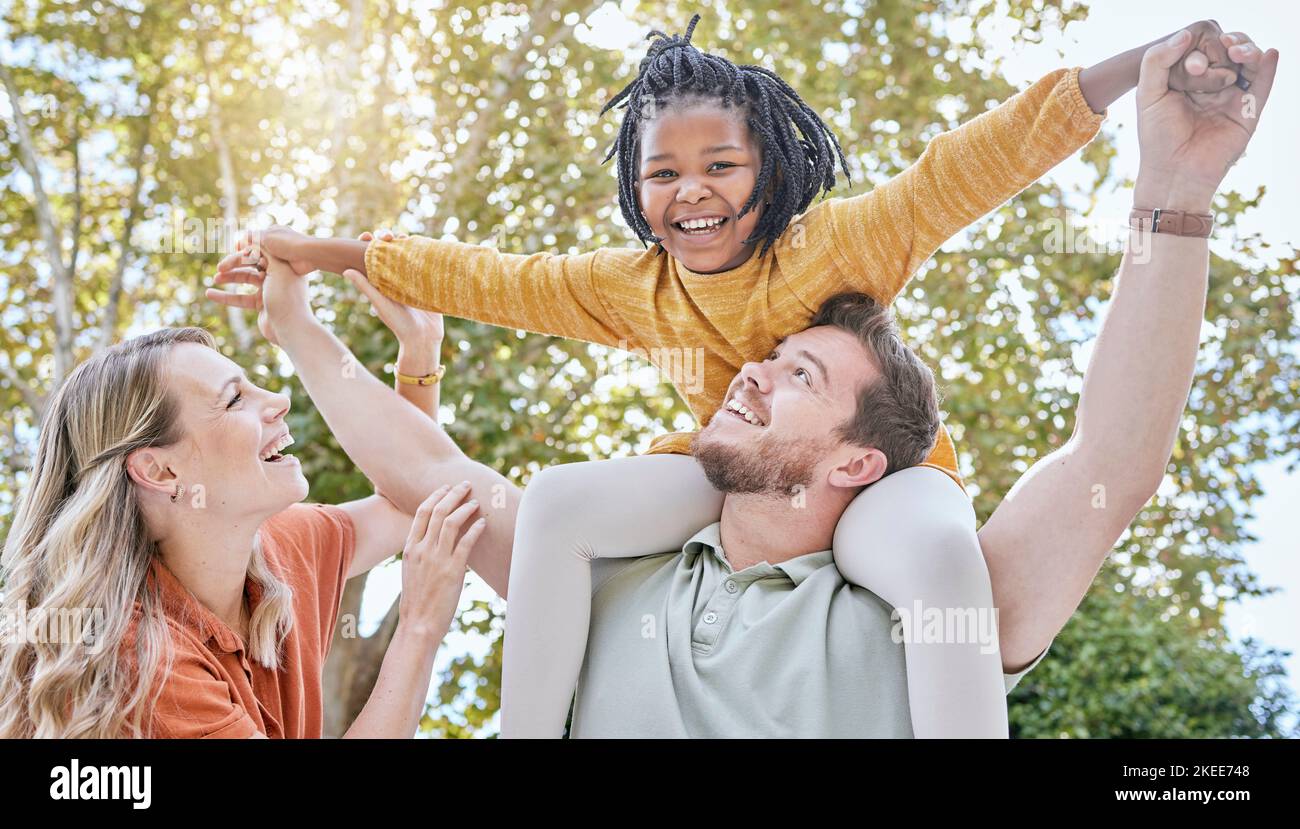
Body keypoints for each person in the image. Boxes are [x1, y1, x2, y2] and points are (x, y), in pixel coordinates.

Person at [214, 16, 1265, 736]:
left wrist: (1158, 134)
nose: (691, 193)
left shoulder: (917, 597)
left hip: (905, 507)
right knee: (560, 502)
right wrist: (308, 279)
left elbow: (980, 174)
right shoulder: (606, 574)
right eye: (662, 173)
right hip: (698, 497)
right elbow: (477, 301)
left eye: (799, 367)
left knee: (947, 567)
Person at [0, 292, 486, 738]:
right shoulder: (137, 659)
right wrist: (420, 627)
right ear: (161, 470)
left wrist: (419, 353)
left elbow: (408, 499)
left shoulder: (282, 547)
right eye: (235, 399)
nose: (280, 401)